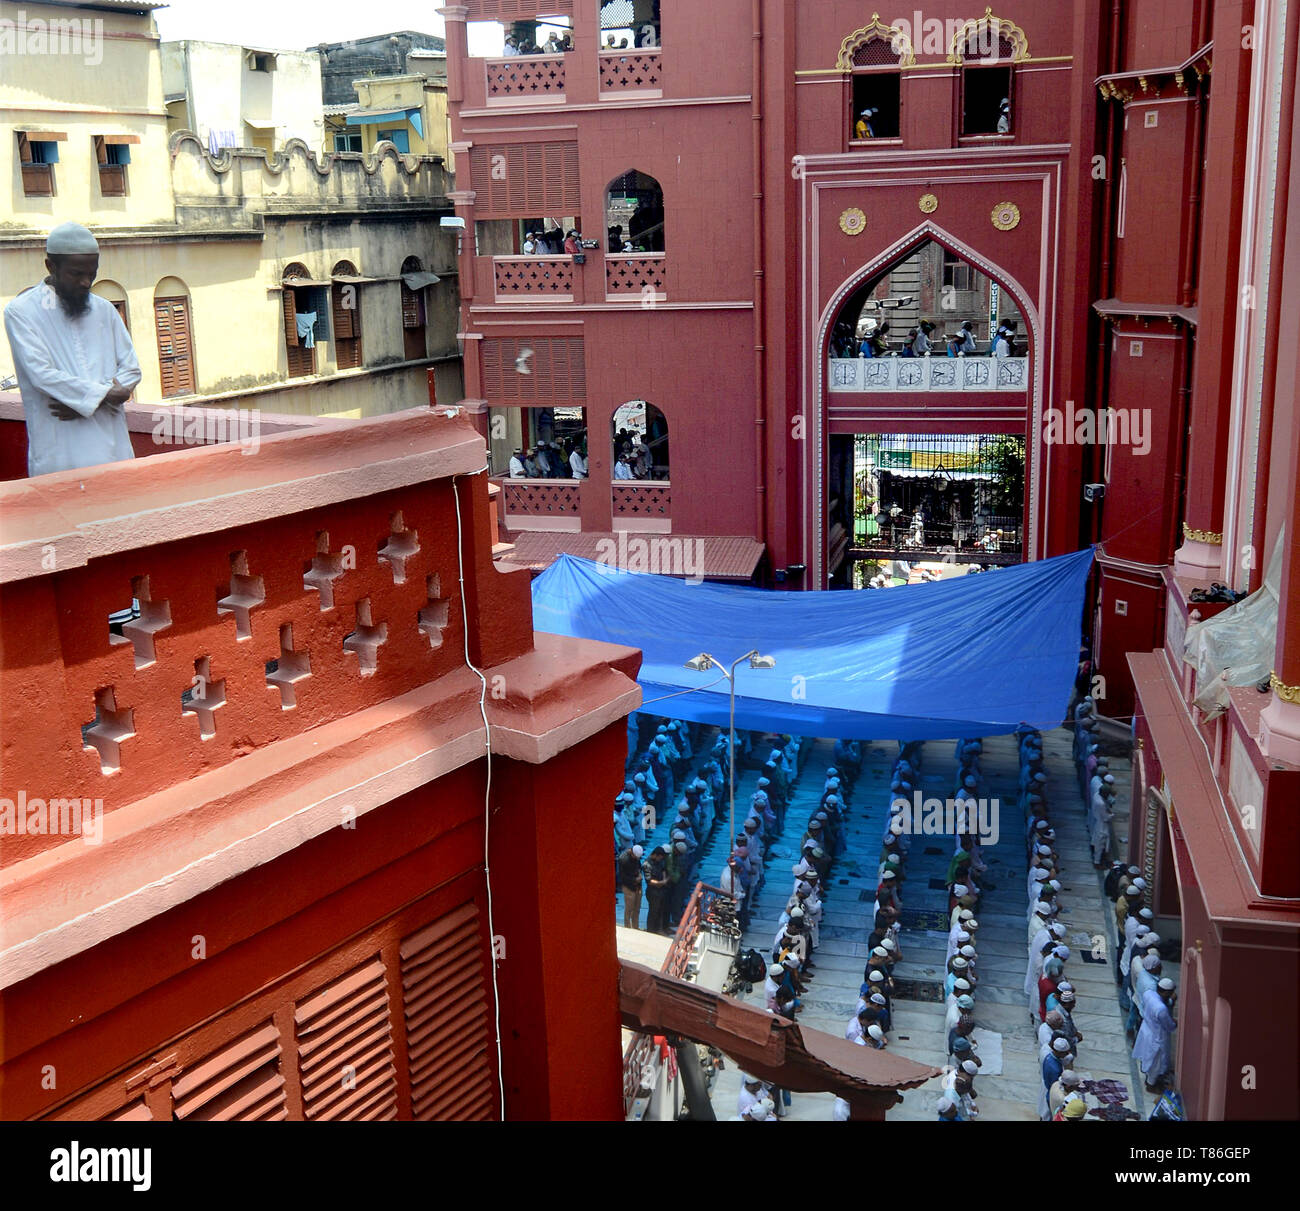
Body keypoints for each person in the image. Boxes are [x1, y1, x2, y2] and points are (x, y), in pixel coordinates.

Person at [5, 221, 141, 477]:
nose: (85, 282)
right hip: (61, 454)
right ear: (51, 266)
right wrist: (107, 395)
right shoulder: (21, 312)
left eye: (92, 273)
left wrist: (88, 401)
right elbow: (41, 374)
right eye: (76, 274)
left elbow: (131, 369)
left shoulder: (103, 309)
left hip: (114, 448)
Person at [1133, 977, 1178, 1091]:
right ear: (1167, 992)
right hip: (1157, 1036)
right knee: (1156, 1063)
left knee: (1148, 1057)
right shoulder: (1161, 1008)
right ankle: (1151, 1085)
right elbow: (1169, 1025)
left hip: (1146, 1030)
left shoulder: (1148, 994)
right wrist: (1174, 1023)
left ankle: (1150, 1079)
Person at [643, 846, 671, 934]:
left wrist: (664, 879)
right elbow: (649, 880)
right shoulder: (647, 864)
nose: (660, 859)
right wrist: (660, 883)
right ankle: (651, 930)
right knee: (653, 911)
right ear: (655, 855)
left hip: (661, 889)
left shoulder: (659, 861)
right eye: (659, 857)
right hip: (653, 891)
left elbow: (663, 869)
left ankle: (659, 929)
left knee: (660, 910)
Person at [618, 843, 644, 929]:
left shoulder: (636, 857)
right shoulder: (623, 859)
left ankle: (635, 927)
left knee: (637, 908)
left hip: (637, 885)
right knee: (629, 909)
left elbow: (638, 867)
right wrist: (634, 880)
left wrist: (639, 875)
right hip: (629, 887)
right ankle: (627, 927)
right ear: (632, 853)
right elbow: (622, 877)